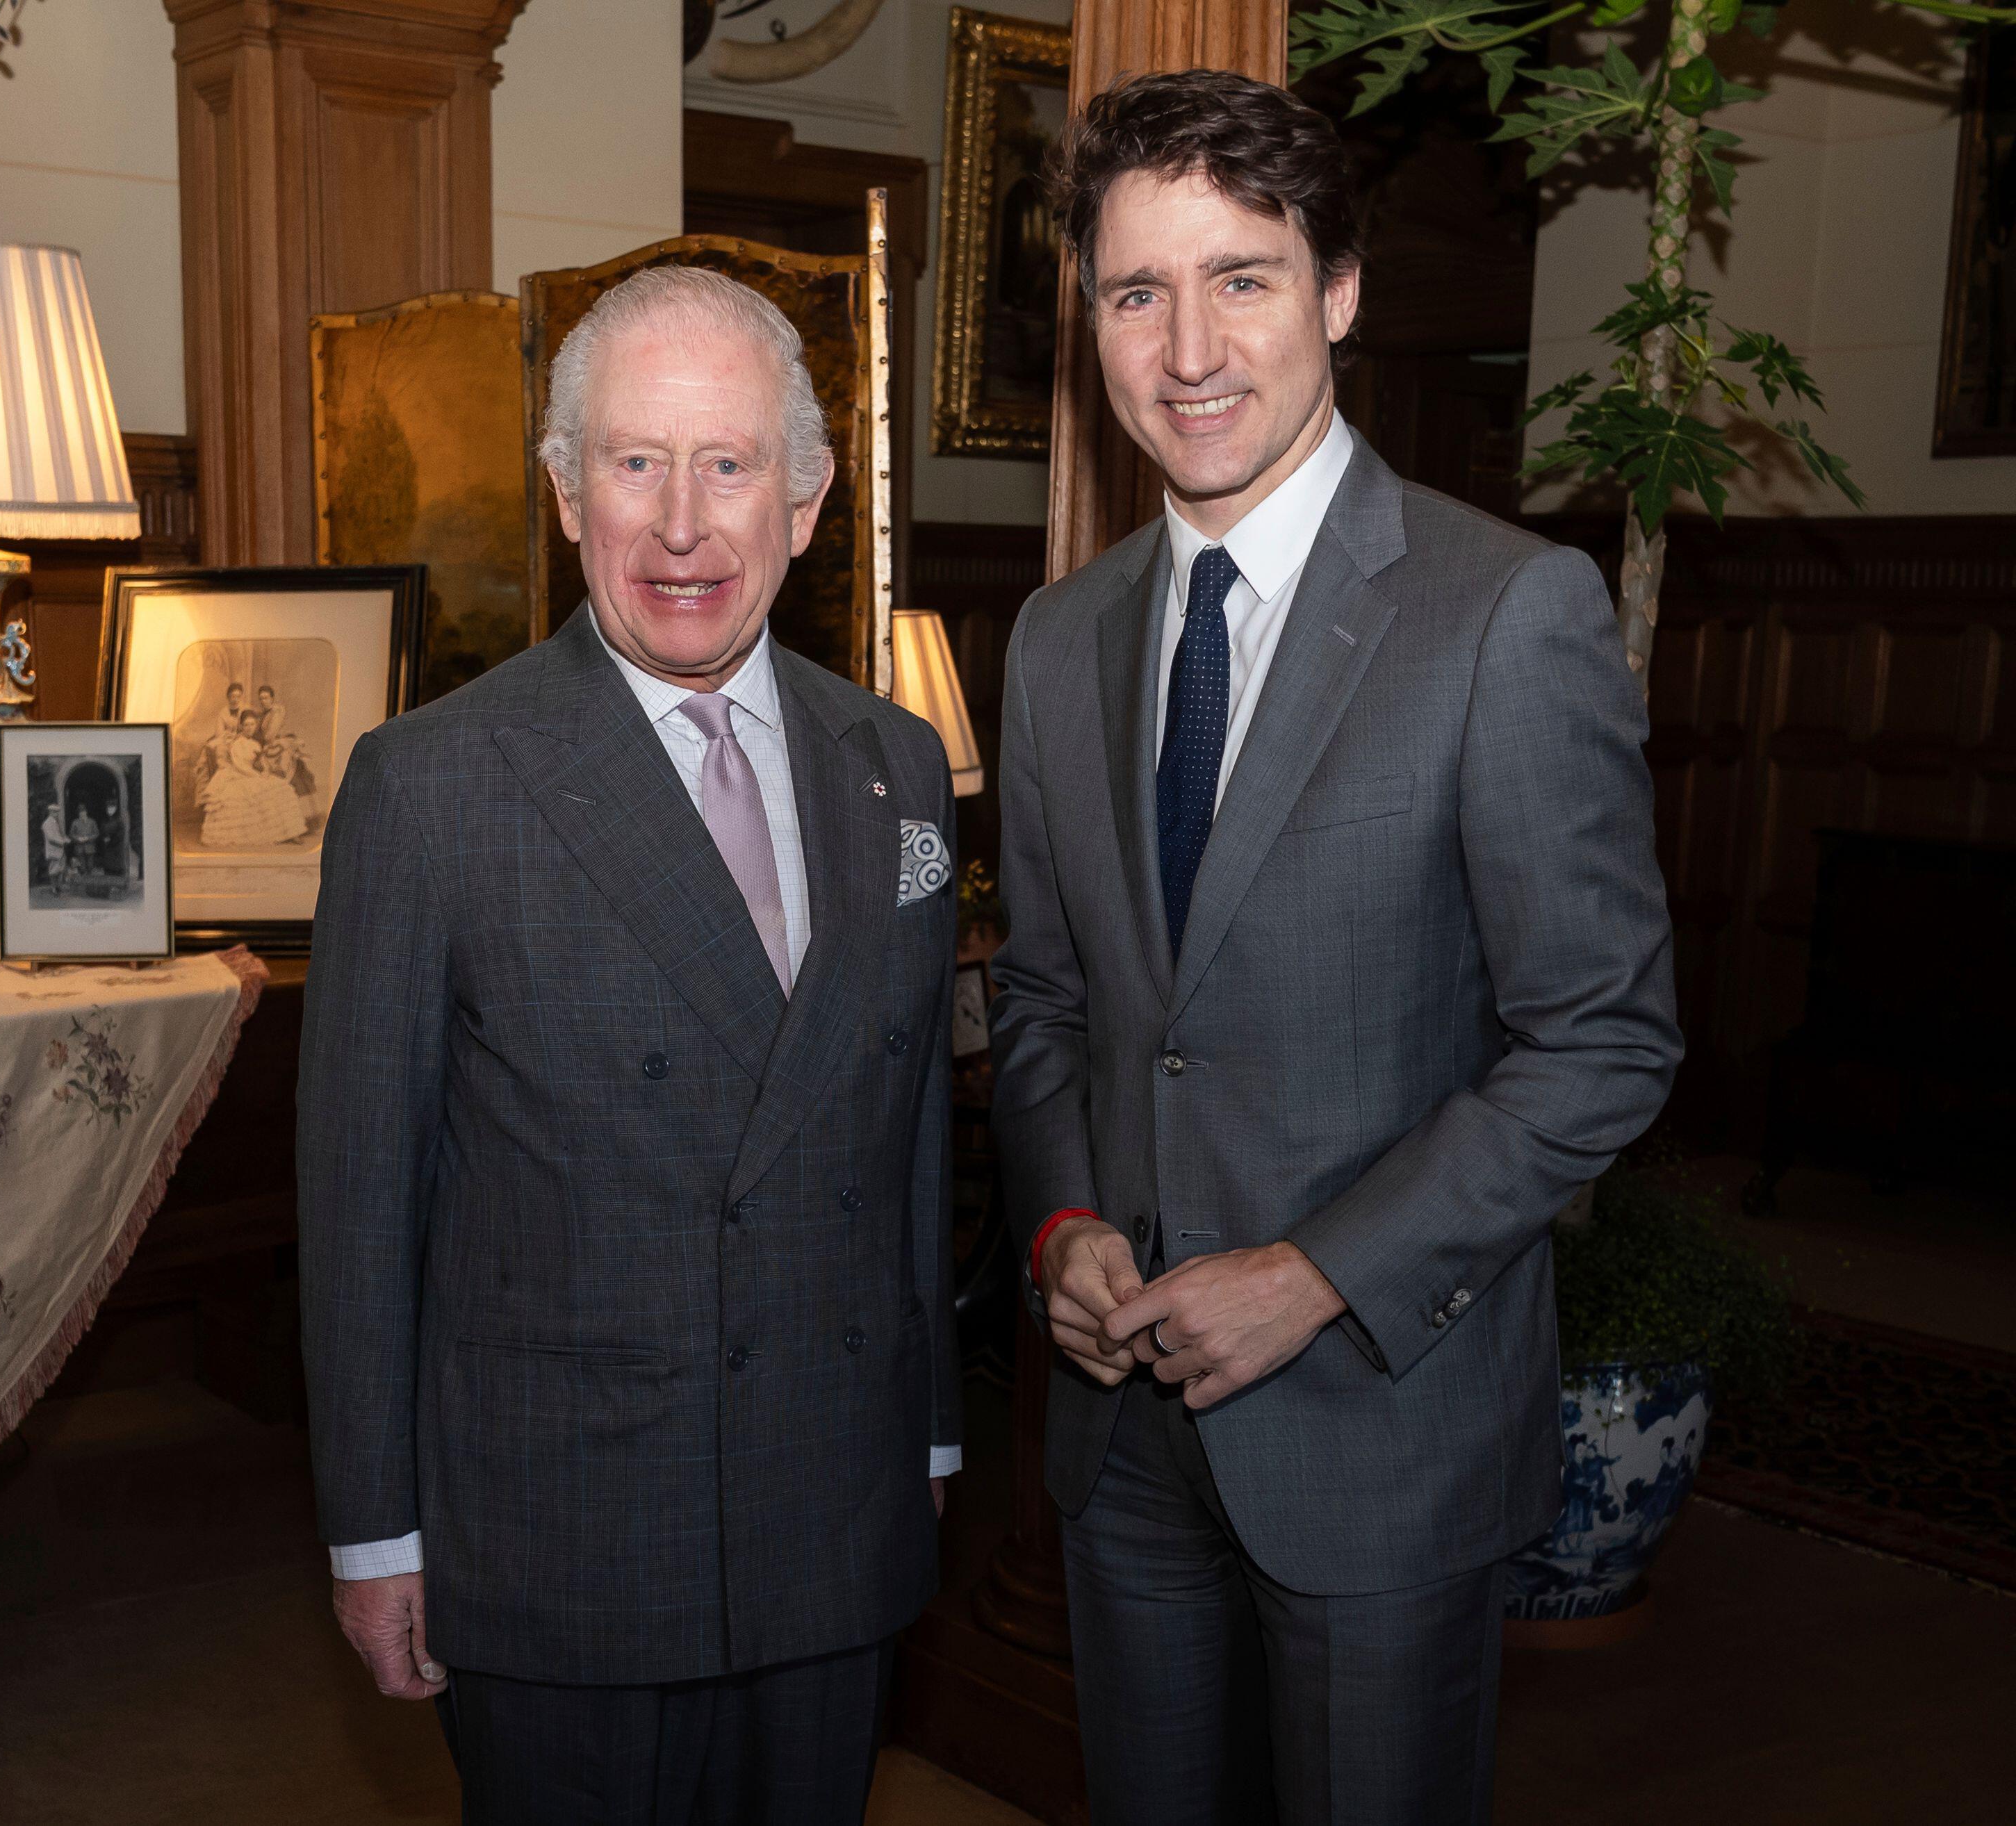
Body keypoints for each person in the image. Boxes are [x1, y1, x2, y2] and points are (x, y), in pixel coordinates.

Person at [987, 70, 1682, 1825]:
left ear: (1341, 293)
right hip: (1119, 1439)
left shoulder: (1503, 612)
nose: (1188, 349)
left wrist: (1318, 1271)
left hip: (1382, 1430)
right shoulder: (1058, 641)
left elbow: (1603, 1042)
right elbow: (1051, 1003)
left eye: (1244, 278)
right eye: (1137, 292)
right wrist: (1063, 1224)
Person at [299, 263, 962, 1826]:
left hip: (835, 1500)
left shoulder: (898, 765)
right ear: (564, 494)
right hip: (567, 1537)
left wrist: (931, 1428)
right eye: (635, 463)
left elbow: (913, 1132)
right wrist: (375, 1533)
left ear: (803, 503)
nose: (681, 525)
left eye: (728, 465)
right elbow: (360, 1200)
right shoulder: (433, 786)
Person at [197, 733, 306, 848]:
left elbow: (262, 764)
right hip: (237, 774)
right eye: (246, 725)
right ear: (242, 727)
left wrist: (265, 771)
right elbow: (240, 766)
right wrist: (255, 775)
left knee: (283, 787)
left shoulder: (255, 744)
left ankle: (292, 832)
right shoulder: (236, 745)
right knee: (246, 794)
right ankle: (258, 835)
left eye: (252, 725)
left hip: (252, 774)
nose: (249, 728)